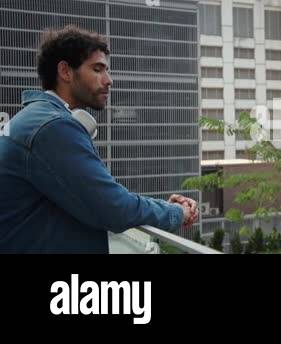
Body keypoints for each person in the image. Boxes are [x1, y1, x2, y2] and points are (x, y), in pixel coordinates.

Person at [0, 25, 199, 253]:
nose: (108, 80)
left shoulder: (34, 120)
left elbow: (98, 196)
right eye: (97, 69)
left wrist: (162, 206)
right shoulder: (54, 127)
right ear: (65, 71)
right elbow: (113, 207)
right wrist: (177, 212)